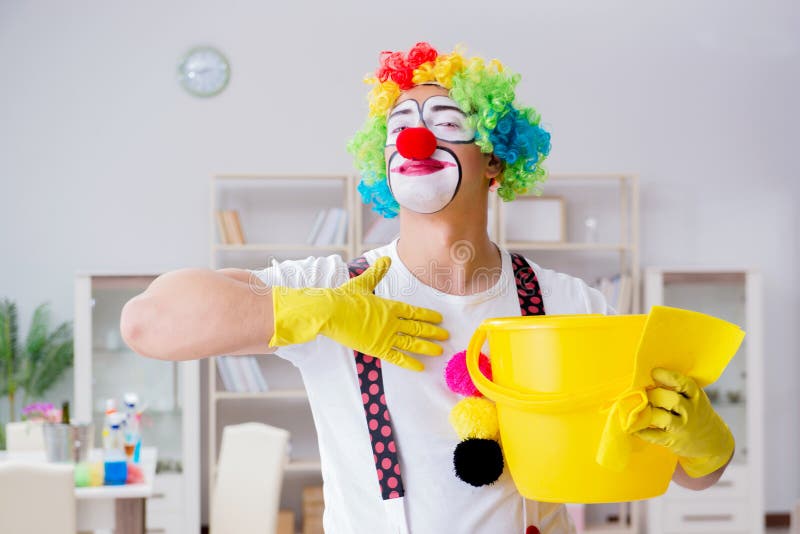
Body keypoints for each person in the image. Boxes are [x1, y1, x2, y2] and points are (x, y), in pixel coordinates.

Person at [120, 42, 735, 534]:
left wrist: (706, 447)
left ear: (494, 161)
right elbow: (148, 323)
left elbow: (681, 472)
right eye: (399, 128)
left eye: (446, 123)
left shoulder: (570, 303)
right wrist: (318, 311)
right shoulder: (335, 286)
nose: (415, 140)